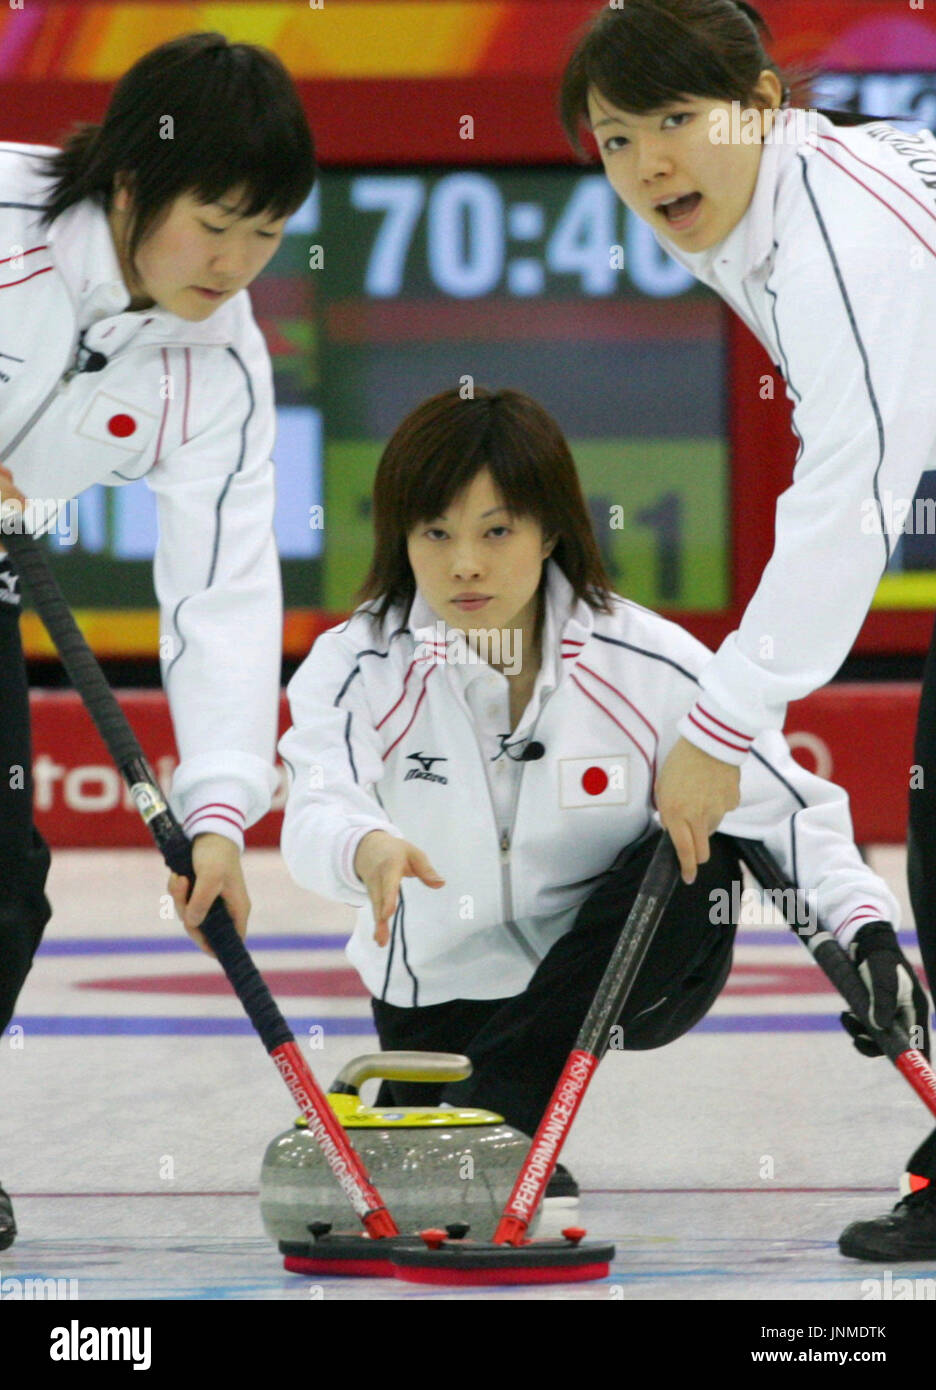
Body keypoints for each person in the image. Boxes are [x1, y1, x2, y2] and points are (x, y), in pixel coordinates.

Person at [278, 385, 928, 1244]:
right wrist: (361, 846)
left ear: (551, 530)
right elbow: (317, 797)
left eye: (496, 531)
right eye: (435, 533)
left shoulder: (644, 660)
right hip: (434, 998)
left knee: (702, 856)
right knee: (467, 1127)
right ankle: (500, 1128)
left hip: (616, 984)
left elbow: (790, 811)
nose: (464, 563)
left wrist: (871, 936)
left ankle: (494, 1121)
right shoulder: (357, 664)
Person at [559, 0, 936, 1258]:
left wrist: (723, 725)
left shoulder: (833, 229)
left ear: (763, 102)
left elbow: (851, 489)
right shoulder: (758, 196)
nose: (649, 162)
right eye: (617, 138)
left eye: (677, 120)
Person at [0, 31, 316, 1249]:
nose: (236, 266)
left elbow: (222, 591)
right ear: (131, 184)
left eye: (267, 235)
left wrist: (225, 811)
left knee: (3, 893)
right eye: (215, 223)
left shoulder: (222, 365)